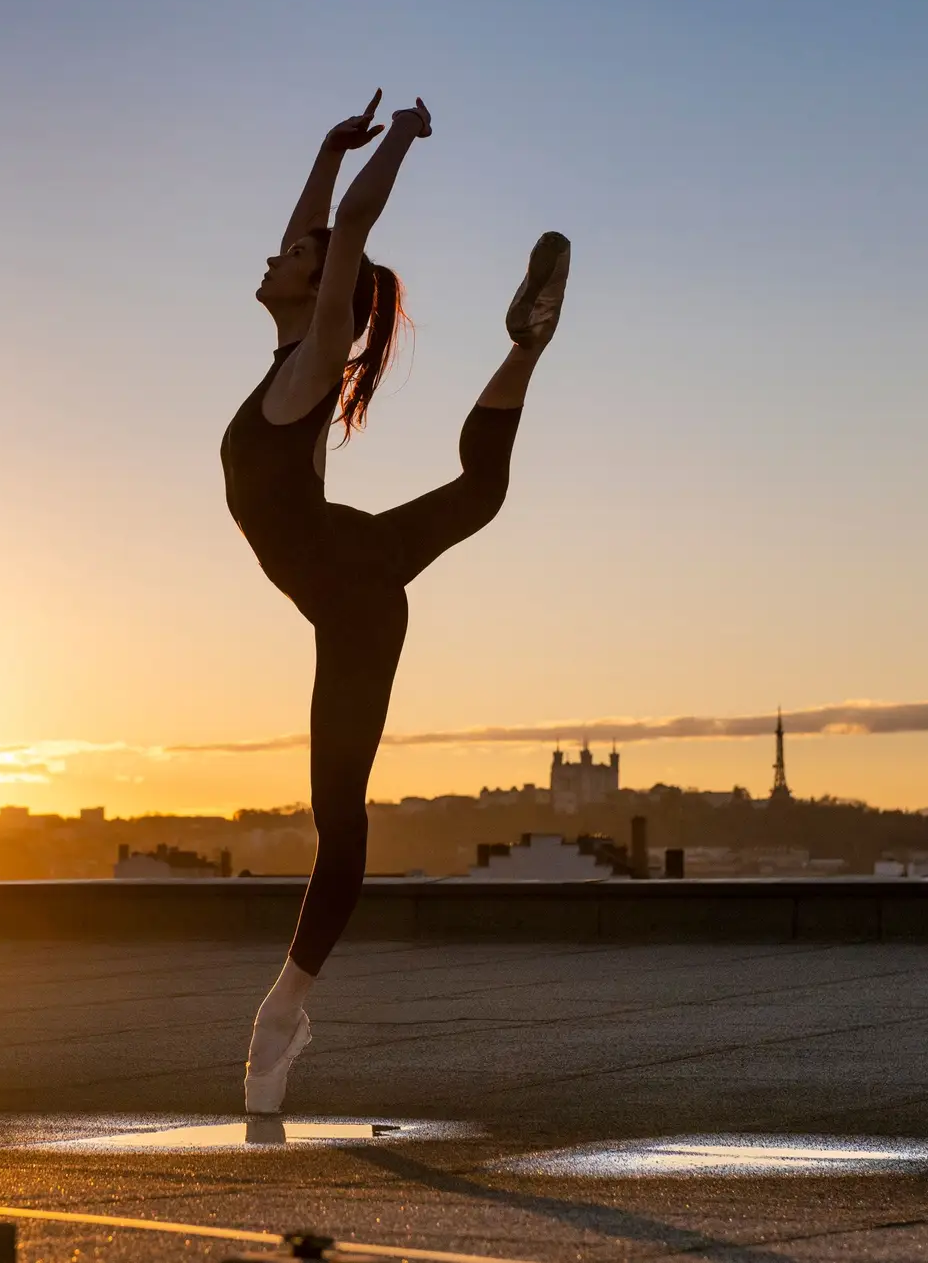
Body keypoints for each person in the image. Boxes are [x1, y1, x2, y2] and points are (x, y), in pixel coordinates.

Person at [221, 91, 569, 1112]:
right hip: (351, 573)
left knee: (341, 819)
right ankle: (527, 347)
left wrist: (405, 140)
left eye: (297, 256)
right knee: (480, 493)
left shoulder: (314, 357)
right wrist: (325, 150)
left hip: (356, 593)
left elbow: (346, 239)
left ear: (319, 285)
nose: (277, 254)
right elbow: (316, 236)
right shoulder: (287, 363)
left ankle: (284, 1008)